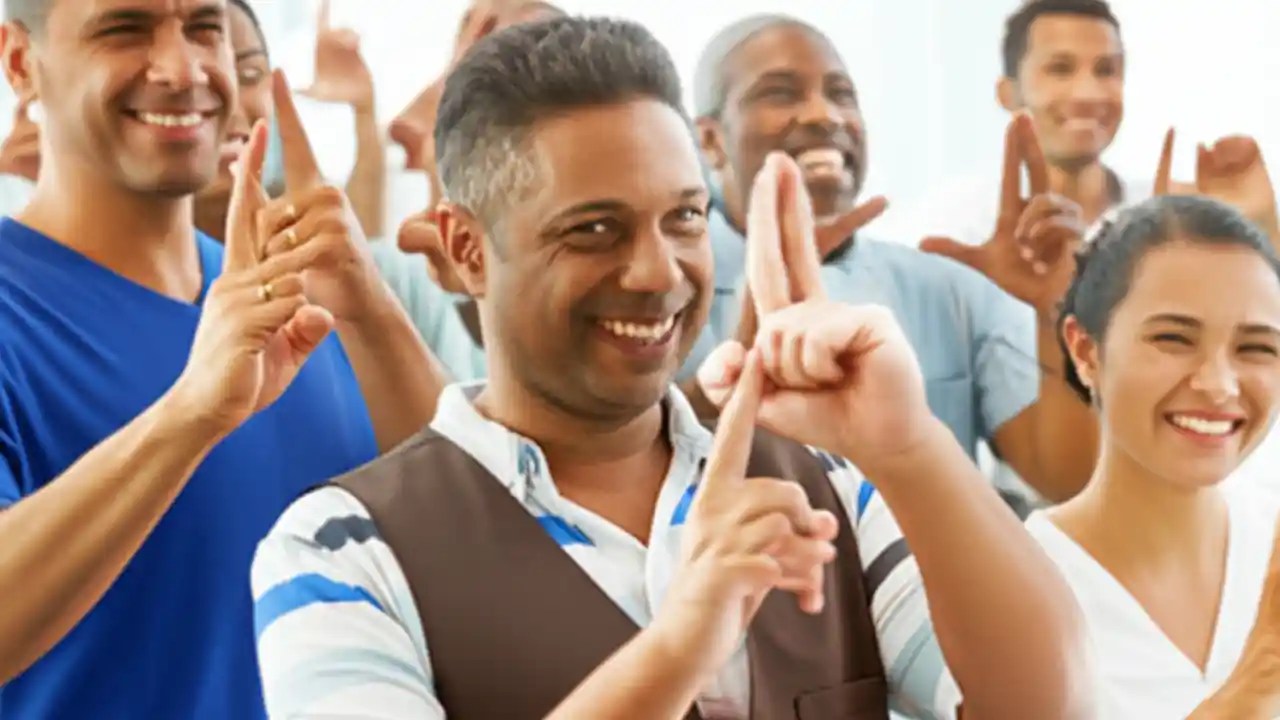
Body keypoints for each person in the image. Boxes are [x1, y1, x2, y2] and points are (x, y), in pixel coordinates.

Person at [252, 16, 1093, 720]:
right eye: (594, 230)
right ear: (469, 247)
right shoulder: (336, 549)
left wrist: (910, 448)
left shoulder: (832, 492)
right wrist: (684, 644)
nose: (657, 272)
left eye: (684, 219)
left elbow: (1049, 706)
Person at [0, 1, 444, 718]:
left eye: (204, 27)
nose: (186, 68)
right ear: (21, 63)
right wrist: (192, 413)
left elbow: (480, 534)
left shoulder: (310, 300)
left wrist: (373, 310)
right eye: (125, 28)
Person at [685, 14, 1096, 504]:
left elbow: (1066, 479)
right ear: (710, 140)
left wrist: (1059, 314)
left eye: (842, 94)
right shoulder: (671, 287)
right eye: (780, 93)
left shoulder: (947, 288)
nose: (825, 115)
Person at [1025, 194, 1280, 718]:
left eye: (1256, 348)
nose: (1218, 385)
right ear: (1085, 350)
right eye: (1173, 339)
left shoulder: (1268, 535)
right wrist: (1254, 687)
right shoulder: (1016, 587)